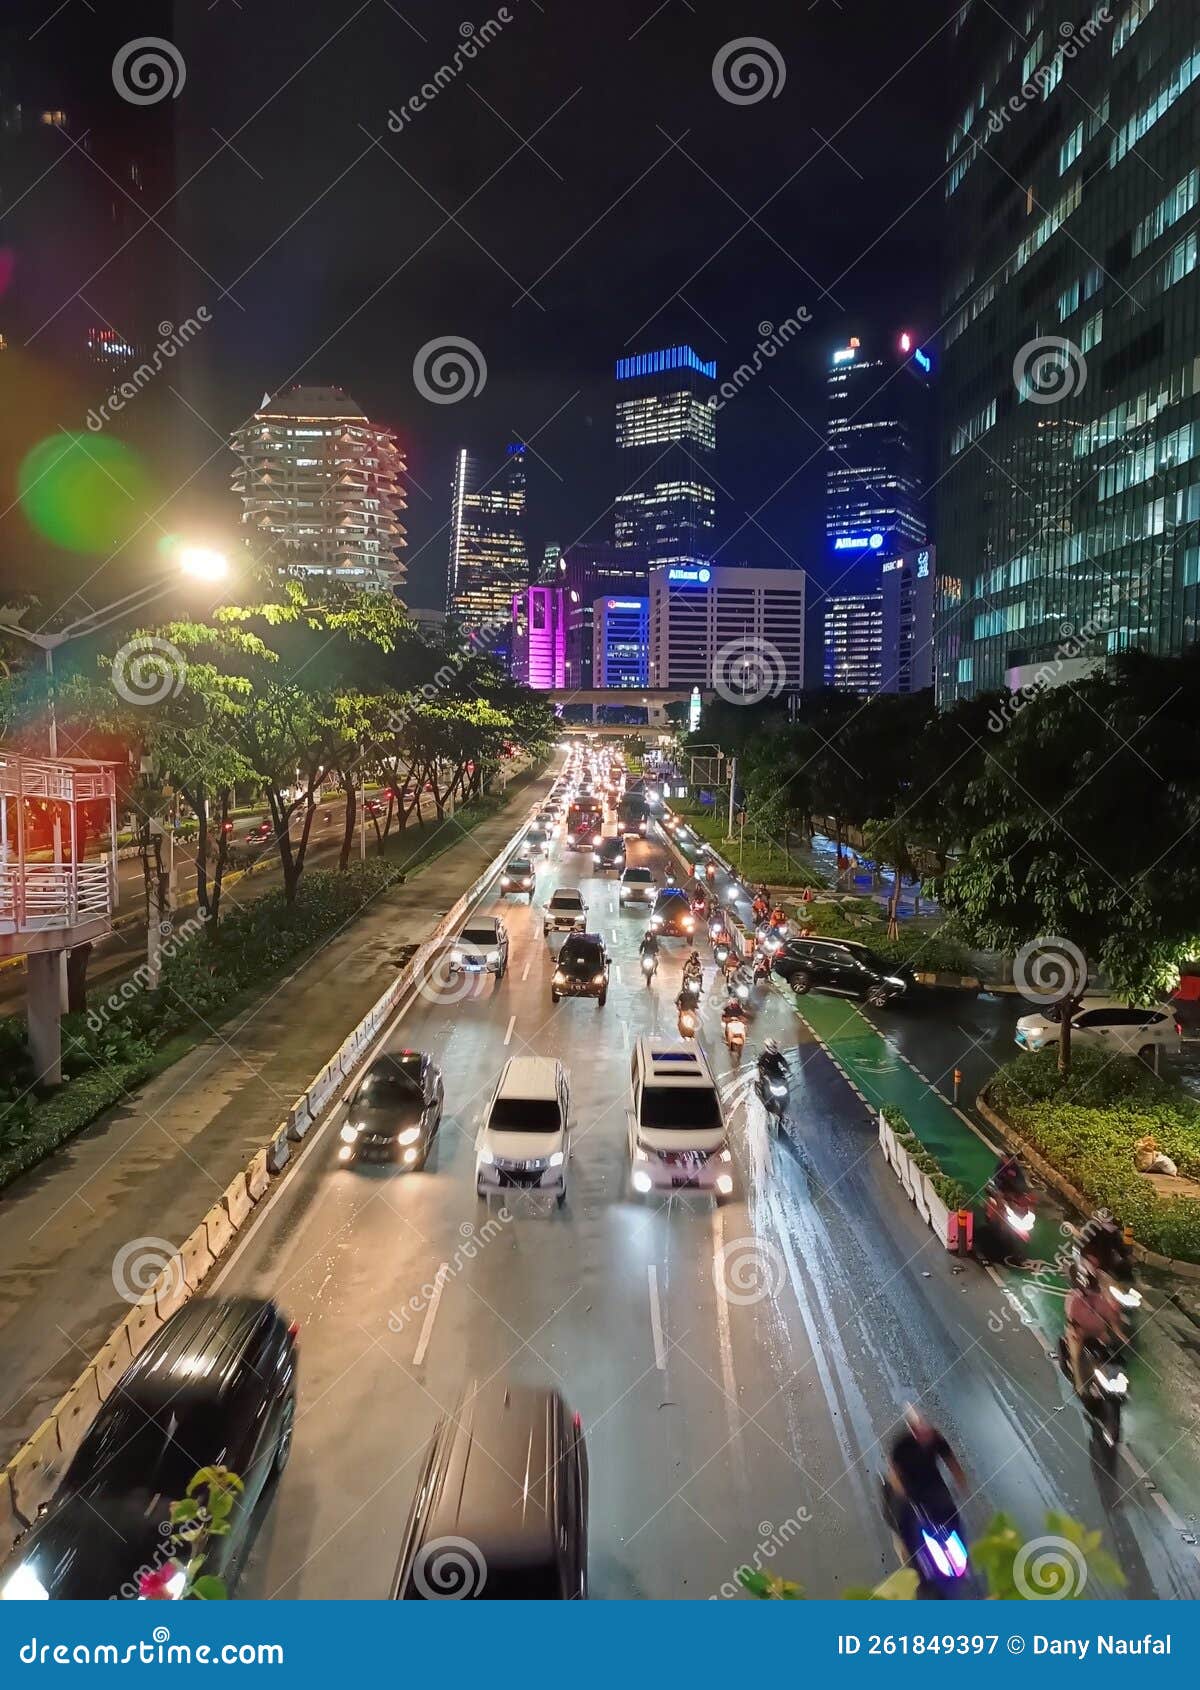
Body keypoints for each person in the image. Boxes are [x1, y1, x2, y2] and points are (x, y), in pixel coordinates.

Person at [886, 1407, 966, 1529]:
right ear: (912, 1430)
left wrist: (960, 1483)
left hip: (933, 1484)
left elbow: (952, 1463)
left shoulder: (936, 1438)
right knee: (905, 1523)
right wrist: (901, 1493)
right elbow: (894, 1473)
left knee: (953, 1517)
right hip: (909, 1487)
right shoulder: (902, 1444)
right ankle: (903, 1544)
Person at [1065, 1263, 1121, 1395]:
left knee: (1114, 1352)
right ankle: (1080, 1386)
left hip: (1098, 1333)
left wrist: (1118, 1331)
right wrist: (1074, 1331)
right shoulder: (1072, 1299)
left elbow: (1109, 1315)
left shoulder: (1099, 1296)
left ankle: (1116, 1379)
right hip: (1080, 1334)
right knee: (1076, 1355)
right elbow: (1071, 1321)